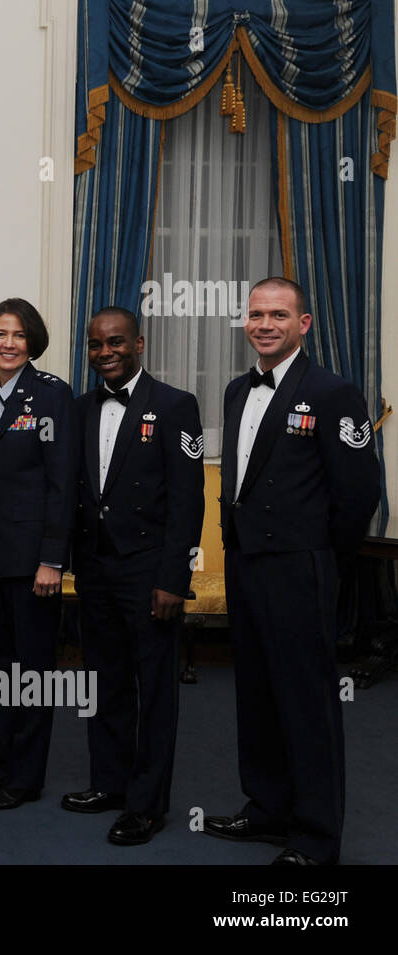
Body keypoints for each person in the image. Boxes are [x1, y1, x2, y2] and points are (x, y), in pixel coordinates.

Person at [203, 277, 381, 865]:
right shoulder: (235, 390)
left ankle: (314, 836)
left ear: (304, 324)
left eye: (278, 315)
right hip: (247, 564)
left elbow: (358, 492)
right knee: (255, 693)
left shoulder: (334, 392)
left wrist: (324, 557)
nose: (264, 324)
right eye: (255, 314)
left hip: (302, 566)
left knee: (307, 704)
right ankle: (267, 808)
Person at [62, 307, 204, 845]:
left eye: (116, 343)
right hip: (95, 570)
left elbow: (188, 502)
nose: (105, 353)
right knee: (104, 681)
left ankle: (146, 805)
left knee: (154, 691)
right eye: (96, 345)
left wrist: (174, 578)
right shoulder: (78, 408)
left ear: (138, 344)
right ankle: (110, 783)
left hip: (150, 573)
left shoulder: (174, 406)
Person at [0, 297, 76, 810]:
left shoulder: (52, 397)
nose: (8, 343)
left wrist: (52, 559)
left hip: (31, 564)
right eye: (0, 334)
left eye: (19, 335)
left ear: (33, 343)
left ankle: (25, 778)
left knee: (32, 671)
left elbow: (62, 483)